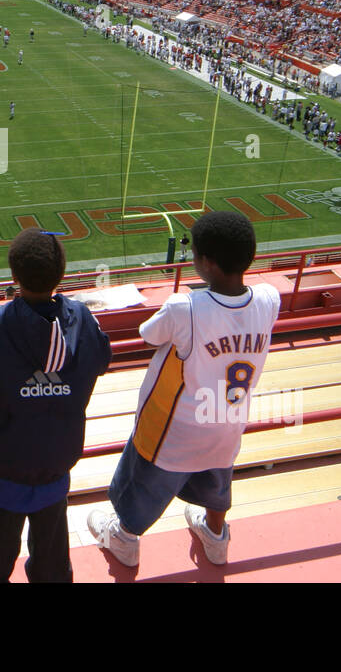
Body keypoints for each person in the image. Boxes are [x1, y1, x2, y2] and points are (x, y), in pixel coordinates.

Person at [88, 211, 281, 568]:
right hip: (228, 420)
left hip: (175, 427)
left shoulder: (185, 308)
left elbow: (148, 334)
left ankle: (124, 539)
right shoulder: (270, 299)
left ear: (206, 263)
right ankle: (215, 537)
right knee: (217, 483)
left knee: (144, 486)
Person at [0, 230, 111, 582]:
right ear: (62, 275)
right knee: (52, 568)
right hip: (55, 467)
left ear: (14, 276)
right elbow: (102, 358)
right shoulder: (83, 320)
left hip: (0, 473)